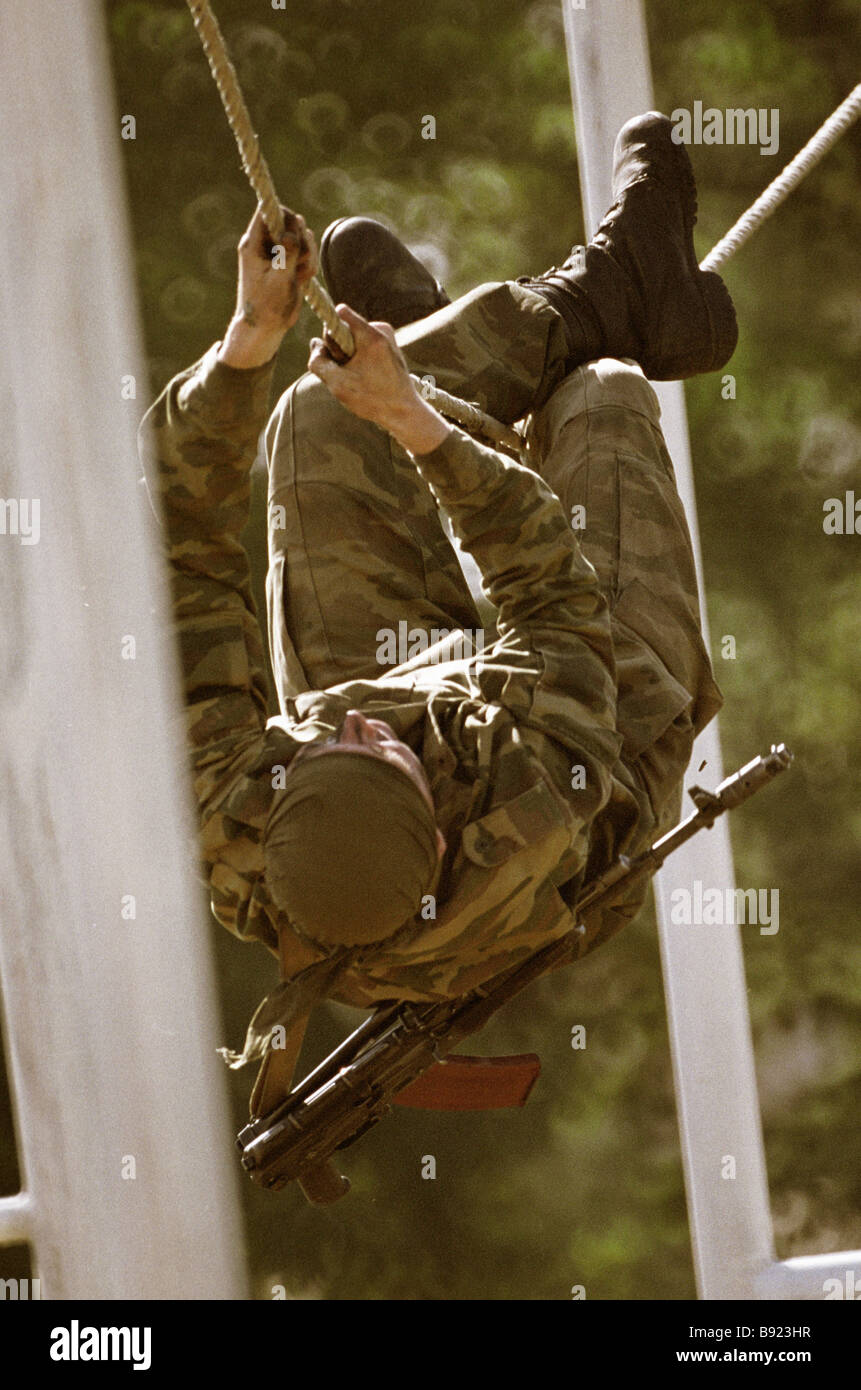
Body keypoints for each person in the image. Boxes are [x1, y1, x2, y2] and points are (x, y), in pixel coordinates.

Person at [139, 113, 731, 1110]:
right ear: (438, 821)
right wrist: (414, 423)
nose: (359, 716)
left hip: (451, 718)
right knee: (601, 394)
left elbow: (177, 548)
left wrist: (244, 348)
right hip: (596, 719)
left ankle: (460, 350)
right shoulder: (531, 797)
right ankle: (603, 306)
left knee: (318, 418)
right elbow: (551, 591)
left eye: (329, 740)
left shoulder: (239, 817)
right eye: (379, 745)